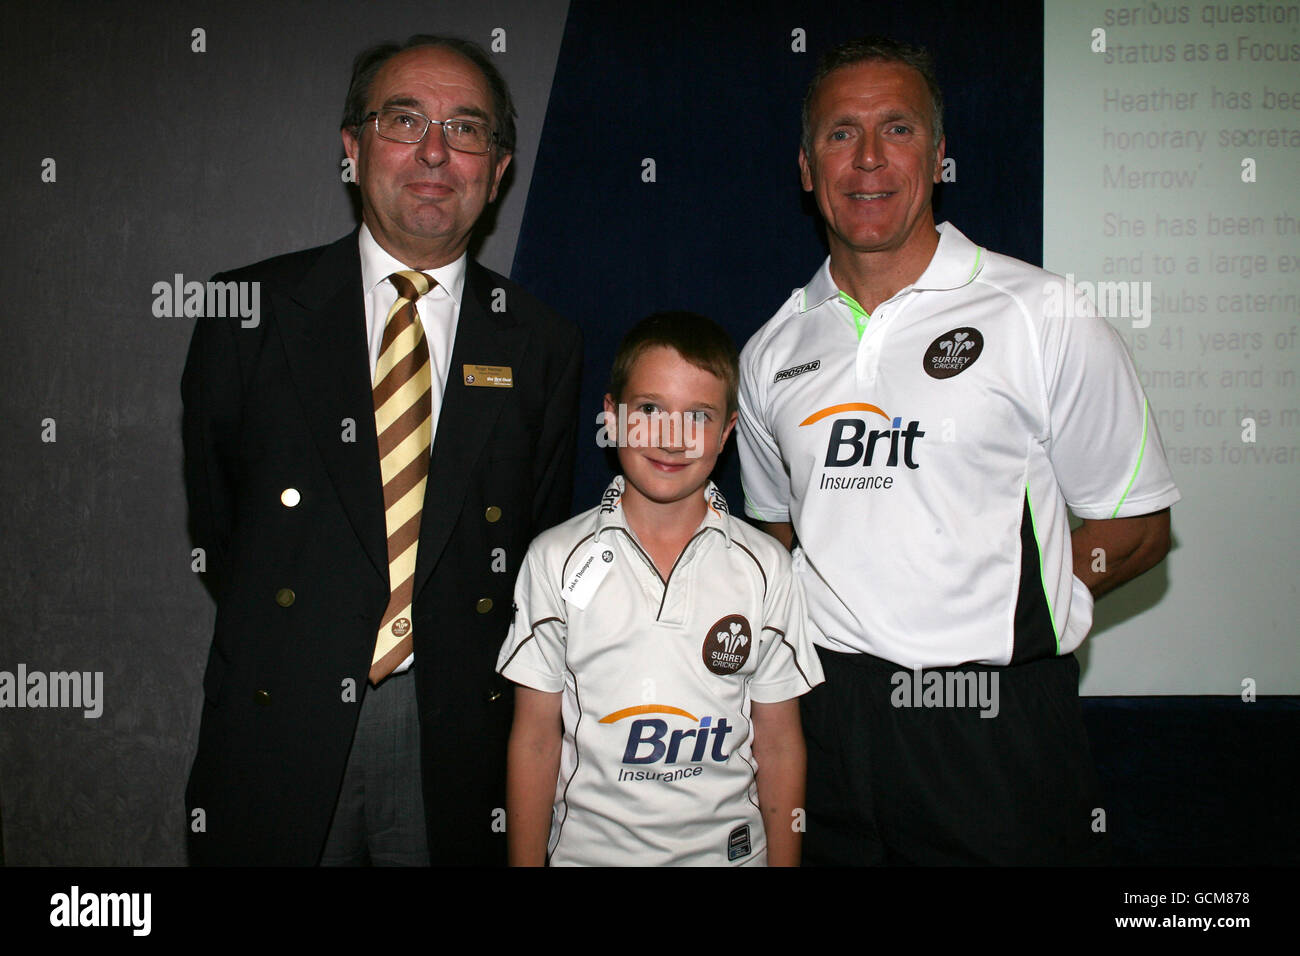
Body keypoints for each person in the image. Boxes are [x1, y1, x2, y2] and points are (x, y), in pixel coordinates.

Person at [737, 36, 1180, 865]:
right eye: (840, 134)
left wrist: (1027, 601)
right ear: (806, 168)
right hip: (824, 720)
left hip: (992, 723)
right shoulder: (771, 350)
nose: (867, 159)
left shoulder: (1044, 313)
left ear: (939, 158)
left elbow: (1138, 527)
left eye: (896, 130)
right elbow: (778, 537)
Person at [182, 34, 582, 865]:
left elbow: (533, 548)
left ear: (499, 169)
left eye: (467, 129)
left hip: (459, 741)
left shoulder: (542, 344)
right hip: (280, 721)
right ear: (353, 147)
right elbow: (225, 534)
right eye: (405, 120)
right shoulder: (245, 314)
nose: (435, 151)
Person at [498, 313, 823, 866]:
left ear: (726, 433)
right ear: (613, 418)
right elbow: (534, 739)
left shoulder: (767, 566)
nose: (673, 437)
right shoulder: (553, 560)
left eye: (698, 416)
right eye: (649, 410)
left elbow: (779, 742)